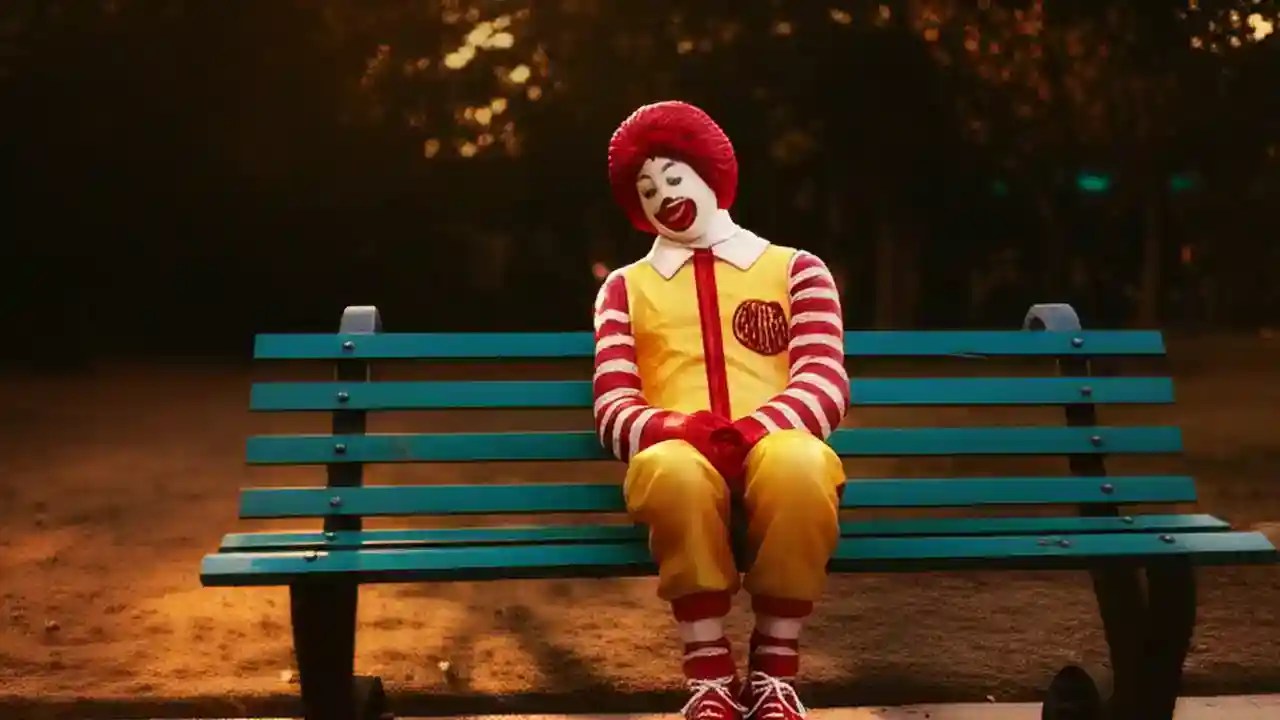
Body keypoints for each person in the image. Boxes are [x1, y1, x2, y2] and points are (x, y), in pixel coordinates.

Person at [593, 100, 850, 720]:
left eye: (673, 176)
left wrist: (755, 429)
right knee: (670, 471)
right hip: (678, 453)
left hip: (777, 442)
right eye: (646, 187)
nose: (663, 195)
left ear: (710, 173)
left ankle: (774, 669)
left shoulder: (798, 270)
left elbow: (823, 380)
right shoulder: (625, 288)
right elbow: (613, 402)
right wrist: (677, 428)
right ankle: (708, 676)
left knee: (803, 467)